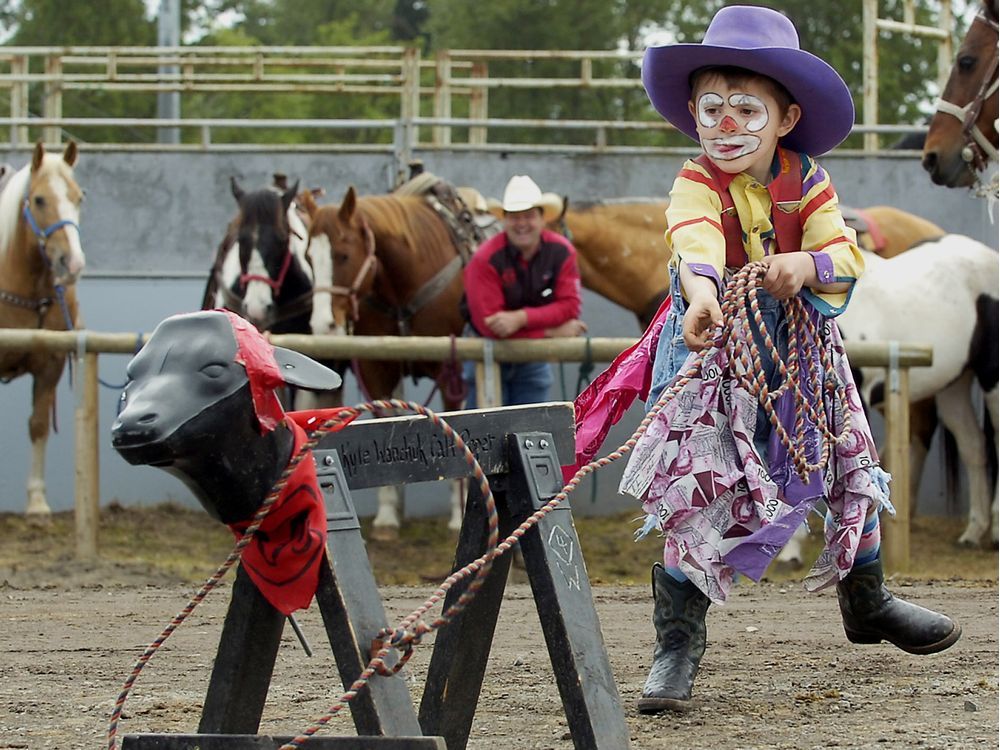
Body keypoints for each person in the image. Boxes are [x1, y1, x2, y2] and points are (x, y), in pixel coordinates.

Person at [600, 4, 961, 715]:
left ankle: (868, 600)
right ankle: (677, 646)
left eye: (744, 108)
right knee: (694, 486)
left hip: (801, 353)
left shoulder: (812, 181)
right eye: (711, 108)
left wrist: (804, 262)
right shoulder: (695, 182)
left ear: (786, 119)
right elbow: (695, 238)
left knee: (849, 458)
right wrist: (702, 291)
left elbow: (845, 256)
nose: (725, 124)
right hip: (712, 352)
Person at [461, 174, 587, 408]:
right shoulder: (485, 258)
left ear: (541, 219)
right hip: (488, 358)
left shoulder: (561, 251)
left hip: (531, 359)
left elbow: (570, 306)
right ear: (505, 220)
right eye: (514, 217)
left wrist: (520, 318)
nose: (521, 223)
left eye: (528, 216)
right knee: (484, 435)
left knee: (529, 432)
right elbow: (490, 327)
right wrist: (550, 331)